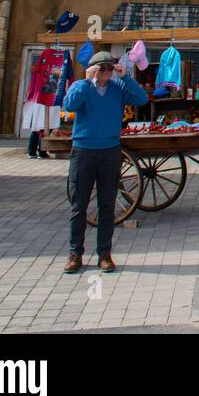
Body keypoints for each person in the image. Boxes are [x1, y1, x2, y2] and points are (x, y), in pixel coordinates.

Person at [61, 50, 148, 274]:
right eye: (103, 69)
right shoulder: (82, 87)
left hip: (109, 151)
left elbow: (142, 99)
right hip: (84, 152)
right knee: (79, 204)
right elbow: (69, 105)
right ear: (93, 70)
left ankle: (104, 254)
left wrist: (126, 76)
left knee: (106, 205)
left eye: (110, 68)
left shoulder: (118, 89)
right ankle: (75, 254)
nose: (107, 72)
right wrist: (86, 81)